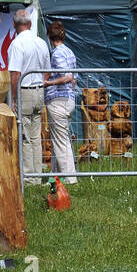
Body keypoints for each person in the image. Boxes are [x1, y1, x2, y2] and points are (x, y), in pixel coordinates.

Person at [8, 10, 51, 178]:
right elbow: (47, 71)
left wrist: (12, 98)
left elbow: (15, 74)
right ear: (30, 24)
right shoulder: (41, 42)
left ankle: (29, 176)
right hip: (39, 91)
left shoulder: (17, 44)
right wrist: (41, 82)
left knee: (25, 137)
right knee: (35, 136)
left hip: (24, 92)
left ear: (14, 25)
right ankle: (37, 174)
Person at [43, 20, 78, 186]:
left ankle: (70, 179)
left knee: (61, 142)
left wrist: (48, 83)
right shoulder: (70, 52)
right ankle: (54, 178)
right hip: (69, 100)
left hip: (58, 101)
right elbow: (74, 79)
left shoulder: (56, 53)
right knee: (59, 139)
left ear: (50, 36)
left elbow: (67, 76)